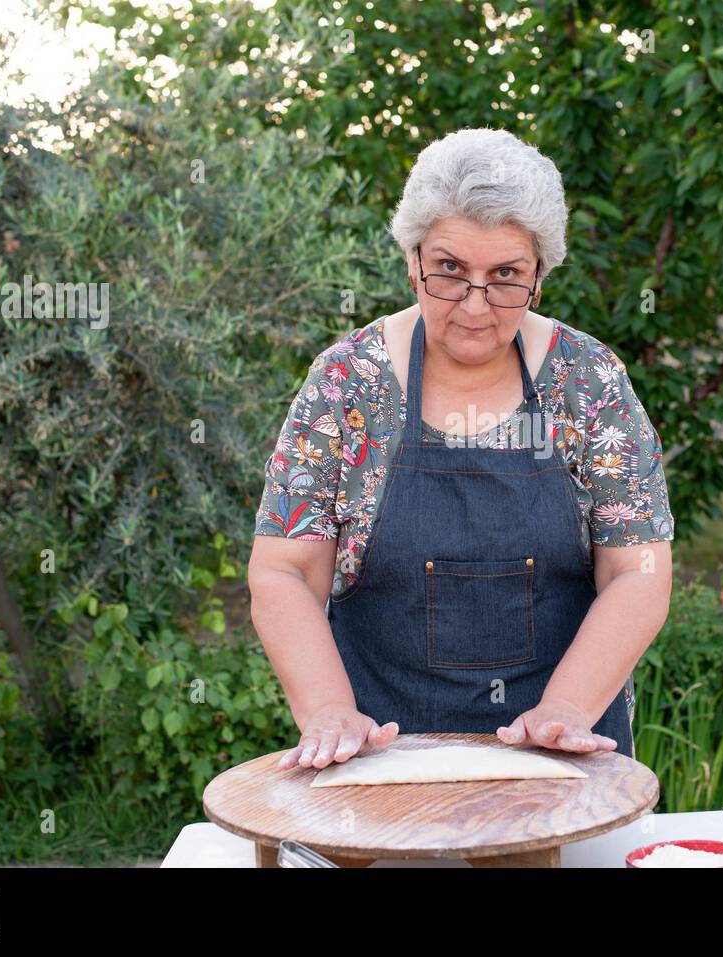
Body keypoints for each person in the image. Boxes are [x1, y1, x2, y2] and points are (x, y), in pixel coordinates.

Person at [249, 127, 674, 770]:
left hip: (562, 756)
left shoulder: (587, 381)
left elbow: (636, 574)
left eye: (505, 276)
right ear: (412, 260)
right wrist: (328, 710)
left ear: (540, 277)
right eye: (450, 271)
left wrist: (566, 710)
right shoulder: (347, 382)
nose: (475, 306)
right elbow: (285, 571)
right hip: (381, 758)